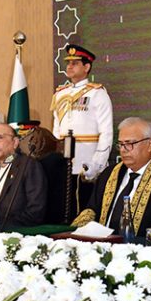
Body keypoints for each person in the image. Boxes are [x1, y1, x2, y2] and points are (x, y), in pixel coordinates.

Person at [72, 117, 151, 239]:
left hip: (143, 248)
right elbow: (91, 210)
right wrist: (78, 234)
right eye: (121, 144)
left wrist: (141, 245)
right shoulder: (109, 174)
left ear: (150, 144)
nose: (123, 150)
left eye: (130, 144)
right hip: (101, 245)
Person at [50, 44, 113, 212]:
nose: (69, 66)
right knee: (64, 209)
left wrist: (97, 163)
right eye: (68, 63)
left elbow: (106, 132)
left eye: (75, 63)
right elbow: (56, 129)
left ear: (87, 67)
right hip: (64, 162)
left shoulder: (97, 93)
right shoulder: (60, 94)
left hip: (87, 160)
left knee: (85, 209)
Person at [0, 123, 47, 230]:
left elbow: (36, 211)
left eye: (0, 137)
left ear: (15, 142)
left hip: (15, 231)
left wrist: (6, 228)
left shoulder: (28, 166)